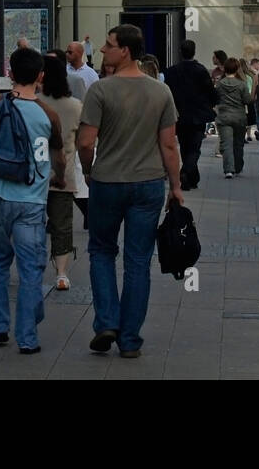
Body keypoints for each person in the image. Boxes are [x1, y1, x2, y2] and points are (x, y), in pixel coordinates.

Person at [78, 25, 181, 358]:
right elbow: (169, 144)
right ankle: (130, 339)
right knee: (138, 262)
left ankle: (107, 320)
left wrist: (88, 170)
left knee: (102, 251)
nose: (103, 51)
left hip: (107, 182)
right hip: (148, 183)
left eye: (109, 45)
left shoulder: (100, 91)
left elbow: (85, 141)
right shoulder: (160, 92)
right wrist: (176, 186)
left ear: (124, 50)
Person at [0, 47, 65, 354]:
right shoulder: (49, 115)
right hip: (31, 200)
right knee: (31, 267)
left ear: (9, 74)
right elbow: (59, 158)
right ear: (40, 77)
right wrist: (58, 178)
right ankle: (27, 337)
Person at [40, 53, 83, 291]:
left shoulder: (34, 102)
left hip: (34, 175)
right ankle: (62, 273)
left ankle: (32, 266)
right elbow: (84, 142)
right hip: (63, 176)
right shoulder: (76, 106)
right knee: (62, 225)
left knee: (33, 224)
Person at [162, 39, 217, 192]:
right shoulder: (200, 70)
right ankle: (186, 172)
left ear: (181, 52)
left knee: (185, 146)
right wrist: (212, 102)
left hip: (179, 114)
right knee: (194, 148)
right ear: (194, 52)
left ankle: (192, 177)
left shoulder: (171, 71)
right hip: (197, 115)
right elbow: (210, 91)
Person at [212, 57, 249, 178]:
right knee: (238, 143)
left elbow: (215, 98)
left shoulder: (219, 84)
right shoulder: (242, 84)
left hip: (224, 116)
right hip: (239, 116)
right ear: (237, 69)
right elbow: (247, 100)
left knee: (226, 144)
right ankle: (238, 167)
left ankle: (228, 169)